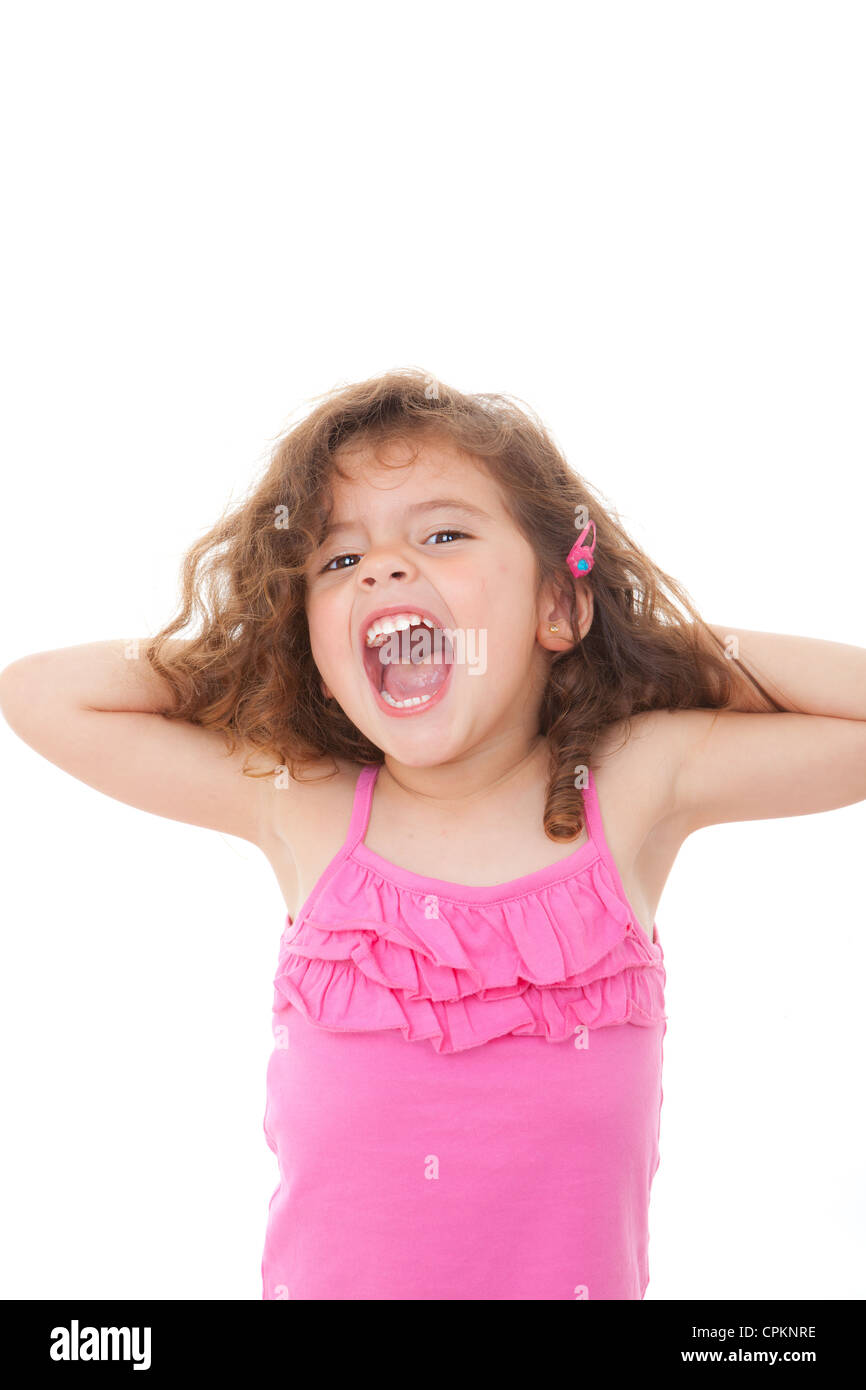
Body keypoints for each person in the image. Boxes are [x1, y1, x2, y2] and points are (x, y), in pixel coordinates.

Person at [4, 367, 865, 1300]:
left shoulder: (631, 786)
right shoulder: (308, 802)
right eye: (340, 562)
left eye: (443, 534)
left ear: (555, 607)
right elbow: (43, 694)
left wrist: (641, 643)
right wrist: (263, 659)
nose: (381, 566)